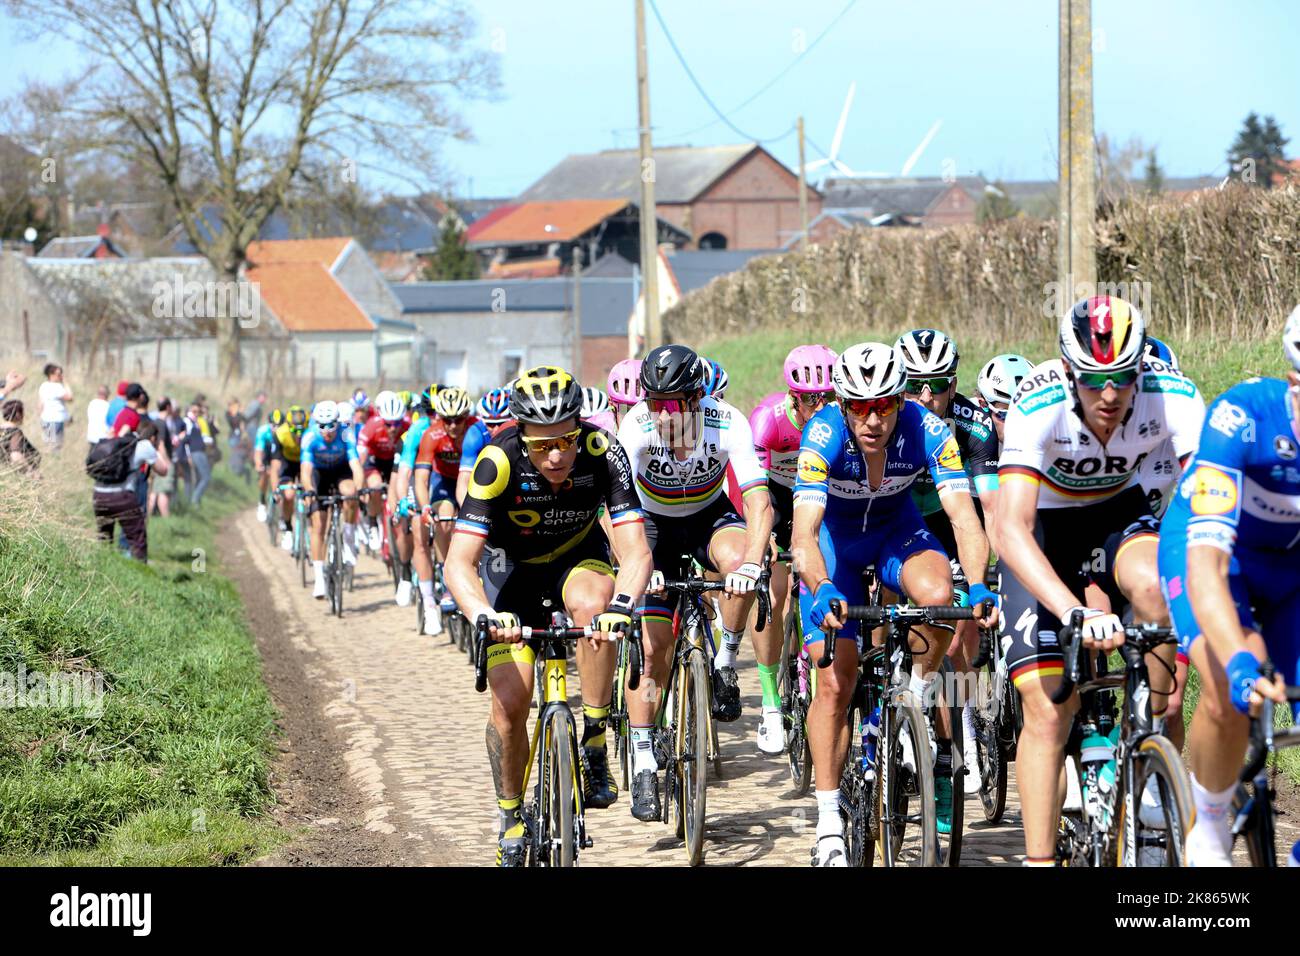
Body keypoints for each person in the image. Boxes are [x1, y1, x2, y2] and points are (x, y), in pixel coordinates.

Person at [990, 295, 1205, 867]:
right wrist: (1072, 611)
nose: (1109, 396)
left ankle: (1152, 745)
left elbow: (1207, 507)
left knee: (1158, 595)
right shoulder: (1037, 403)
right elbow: (1011, 528)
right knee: (1046, 709)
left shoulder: (1173, 397)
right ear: (1068, 372)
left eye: (1122, 379)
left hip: (1117, 517)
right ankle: (1039, 860)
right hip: (1043, 533)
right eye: (1093, 381)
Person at [793, 341, 997, 866]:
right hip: (835, 544)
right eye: (859, 406)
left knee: (939, 597)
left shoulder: (929, 431)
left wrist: (976, 585)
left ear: (901, 401)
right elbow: (803, 536)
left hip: (895, 532)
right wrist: (820, 588)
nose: (872, 417)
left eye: (884, 404)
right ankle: (828, 821)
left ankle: (918, 692)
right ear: (841, 405)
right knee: (836, 682)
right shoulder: (822, 435)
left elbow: (963, 517)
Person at [444, 365, 652, 866]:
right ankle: (511, 816)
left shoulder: (604, 452)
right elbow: (458, 562)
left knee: (593, 608)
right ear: (521, 435)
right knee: (512, 704)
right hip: (511, 574)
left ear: (580, 429)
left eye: (565, 440)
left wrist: (623, 607)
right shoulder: (498, 461)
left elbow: (636, 550)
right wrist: (481, 614)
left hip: (576, 560)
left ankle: (596, 740)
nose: (556, 455)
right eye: (541, 446)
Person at [1156, 306, 1300, 867]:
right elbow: (1208, 570)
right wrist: (1239, 660)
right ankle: (1209, 825)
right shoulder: (1241, 417)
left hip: (1291, 573)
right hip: (1218, 557)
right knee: (1228, 687)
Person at [616, 344, 773, 822]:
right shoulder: (635, 427)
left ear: (697, 398)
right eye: (654, 403)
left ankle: (726, 657)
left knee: (737, 563)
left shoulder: (728, 421)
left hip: (708, 515)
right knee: (654, 651)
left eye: (673, 404)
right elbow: (613, 509)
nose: (662, 415)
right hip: (652, 523)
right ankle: (644, 758)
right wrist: (637, 562)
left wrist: (751, 563)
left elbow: (759, 503)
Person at [896, 328, 1002, 791]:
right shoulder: (880, 421)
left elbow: (990, 509)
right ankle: (881, 719)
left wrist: (995, 572)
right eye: (914, 384)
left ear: (953, 385)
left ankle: (966, 730)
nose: (925, 395)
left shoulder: (975, 427)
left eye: (937, 384)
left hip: (951, 523)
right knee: (879, 624)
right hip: (893, 522)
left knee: (957, 637)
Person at [746, 343, 838, 754]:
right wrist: (763, 540)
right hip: (778, 500)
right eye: (809, 399)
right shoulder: (769, 422)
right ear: (792, 396)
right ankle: (769, 700)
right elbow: (756, 493)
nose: (819, 407)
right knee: (773, 590)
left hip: (820, 499)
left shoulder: (840, 421)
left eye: (828, 398)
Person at [300, 401, 365, 599]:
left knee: (350, 492)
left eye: (331, 425)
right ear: (315, 424)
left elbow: (356, 466)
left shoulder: (346, 435)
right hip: (319, 474)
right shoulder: (310, 437)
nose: (327, 430)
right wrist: (309, 490)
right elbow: (306, 471)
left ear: (338, 422)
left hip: (340, 471)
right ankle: (319, 579)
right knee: (319, 524)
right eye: (322, 425)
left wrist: (360, 489)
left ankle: (348, 539)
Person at [91, 418, 168, 562]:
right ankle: (141, 571)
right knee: (137, 536)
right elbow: (163, 470)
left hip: (99, 495)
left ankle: (101, 565)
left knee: (104, 536)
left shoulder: (118, 441)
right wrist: (157, 450)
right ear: (152, 438)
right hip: (122, 496)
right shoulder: (145, 445)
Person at [149, 399, 178, 517]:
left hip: (157, 460)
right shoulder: (161, 423)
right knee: (163, 492)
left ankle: (147, 518)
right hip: (162, 461)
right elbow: (160, 444)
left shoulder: (157, 422)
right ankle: (166, 519)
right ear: (168, 407)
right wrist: (167, 462)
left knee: (154, 491)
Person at [183, 403, 214, 506]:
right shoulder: (187, 422)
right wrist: (188, 455)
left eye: (198, 412)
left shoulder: (195, 422)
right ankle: (195, 499)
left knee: (200, 477)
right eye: (194, 411)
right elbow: (185, 440)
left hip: (199, 451)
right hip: (195, 452)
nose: (197, 414)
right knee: (206, 477)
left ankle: (195, 501)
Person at [38, 363, 72, 451]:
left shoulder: (43, 385)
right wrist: (66, 383)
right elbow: (70, 398)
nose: (61, 376)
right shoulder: (57, 387)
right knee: (56, 447)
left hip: (46, 419)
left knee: (48, 445)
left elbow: (40, 404)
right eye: (59, 374)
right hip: (56, 419)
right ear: (51, 375)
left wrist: (40, 417)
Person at [0, 400, 41, 472]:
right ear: (18, 414)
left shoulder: (1, 430)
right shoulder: (15, 432)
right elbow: (15, 455)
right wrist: (31, 472)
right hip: (16, 476)